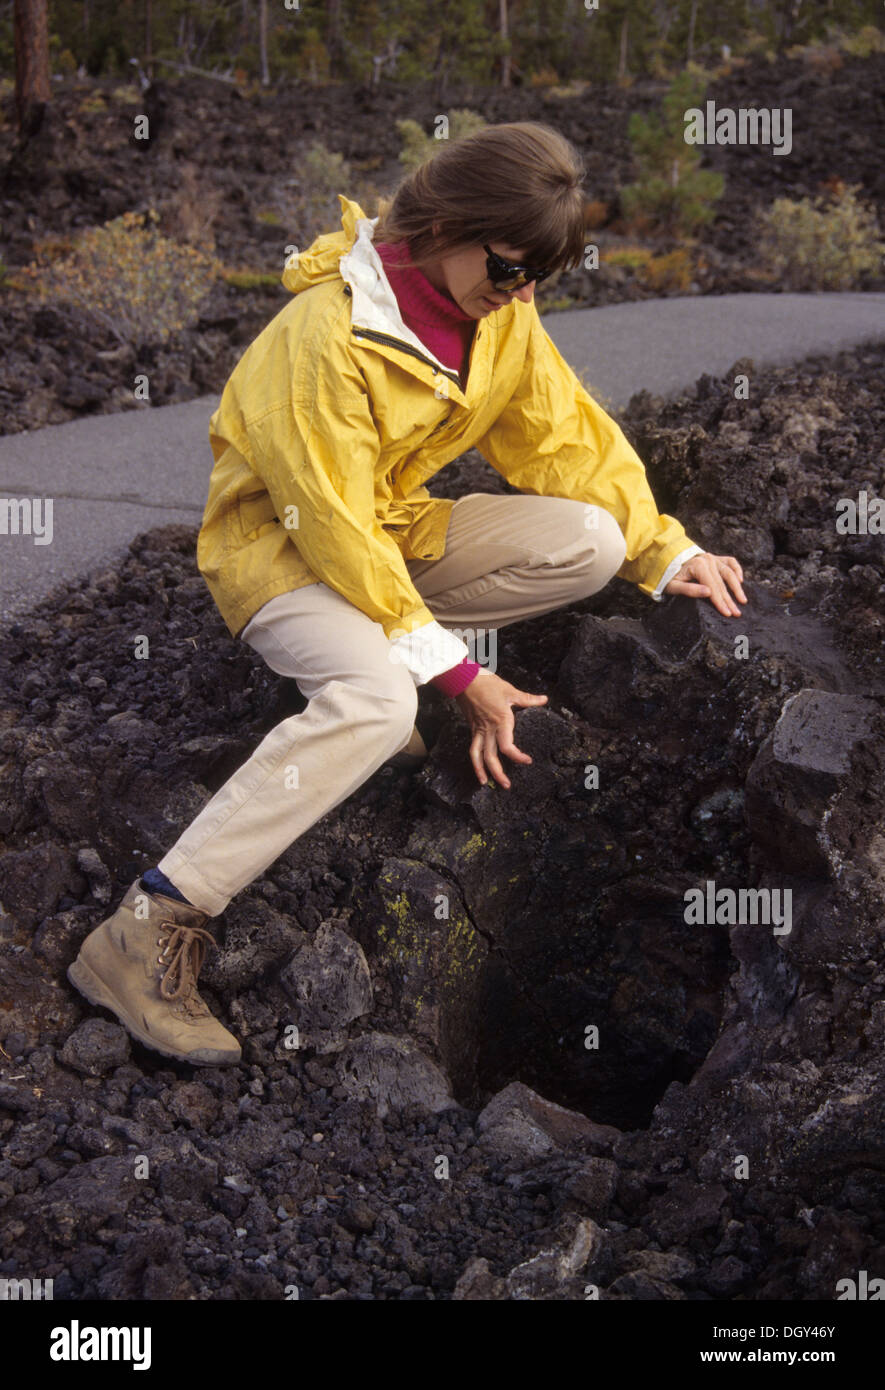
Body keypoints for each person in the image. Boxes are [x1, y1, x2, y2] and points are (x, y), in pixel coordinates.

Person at [67, 121, 747, 1067]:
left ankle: (378, 664)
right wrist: (460, 675)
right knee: (380, 705)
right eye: (506, 268)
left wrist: (664, 552)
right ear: (444, 222)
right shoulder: (324, 338)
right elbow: (329, 526)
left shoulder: (498, 315)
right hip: (286, 555)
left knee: (586, 543)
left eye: (536, 278)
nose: (516, 294)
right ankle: (146, 926)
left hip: (387, 535)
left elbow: (565, 437)